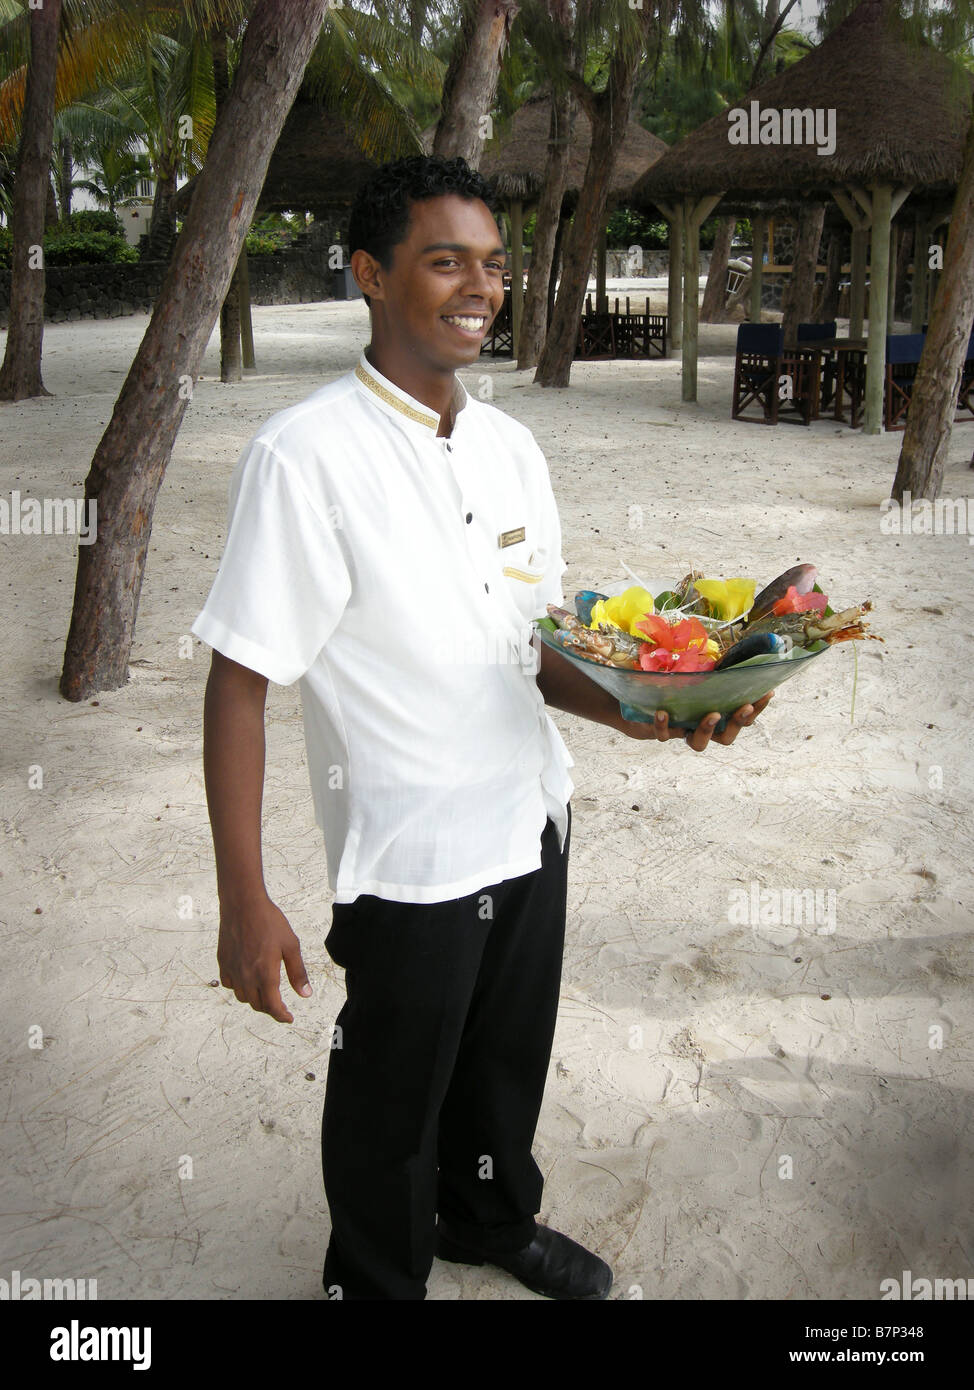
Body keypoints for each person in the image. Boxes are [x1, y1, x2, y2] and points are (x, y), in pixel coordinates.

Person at [191, 155, 772, 1302]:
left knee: (504, 1063)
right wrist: (242, 899)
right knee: (390, 1097)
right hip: (411, 857)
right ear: (369, 273)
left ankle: (490, 1220)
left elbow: (533, 648)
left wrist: (647, 713)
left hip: (533, 813)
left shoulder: (511, 450)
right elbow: (241, 682)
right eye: (443, 259)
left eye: (492, 263)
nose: (479, 286)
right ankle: (372, 1277)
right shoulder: (305, 457)